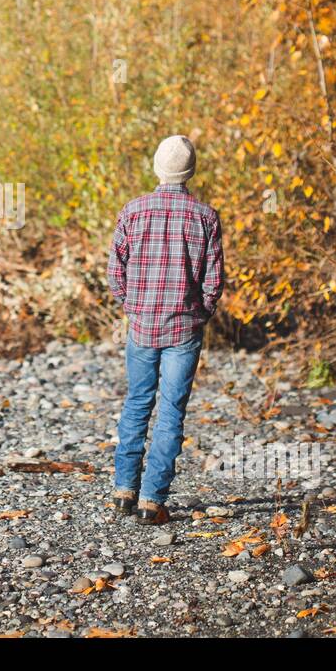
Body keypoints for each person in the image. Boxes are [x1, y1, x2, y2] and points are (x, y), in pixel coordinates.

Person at [106, 135, 225, 524]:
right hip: (184, 328)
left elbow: (114, 272)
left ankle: (124, 489)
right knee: (172, 411)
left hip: (142, 326)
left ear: (158, 168)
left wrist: (132, 308)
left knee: (137, 403)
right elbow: (214, 280)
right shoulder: (205, 216)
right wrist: (199, 313)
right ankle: (151, 501)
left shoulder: (134, 211)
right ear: (191, 171)